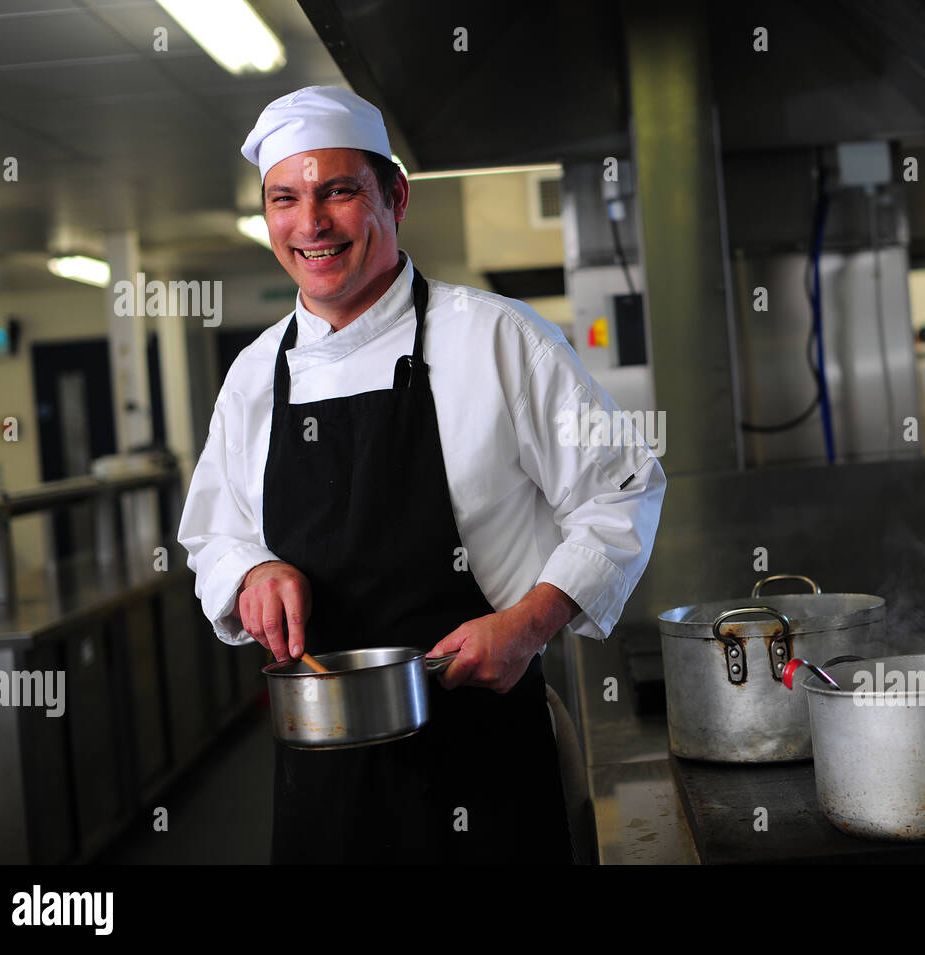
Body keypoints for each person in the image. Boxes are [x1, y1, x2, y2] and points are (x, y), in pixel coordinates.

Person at [177, 86, 666, 864]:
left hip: (482, 748)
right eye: (285, 199)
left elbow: (624, 485)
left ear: (394, 195)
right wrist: (252, 570)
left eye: (339, 191)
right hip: (323, 773)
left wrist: (530, 622)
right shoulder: (251, 378)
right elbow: (213, 531)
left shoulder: (499, 340)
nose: (311, 224)